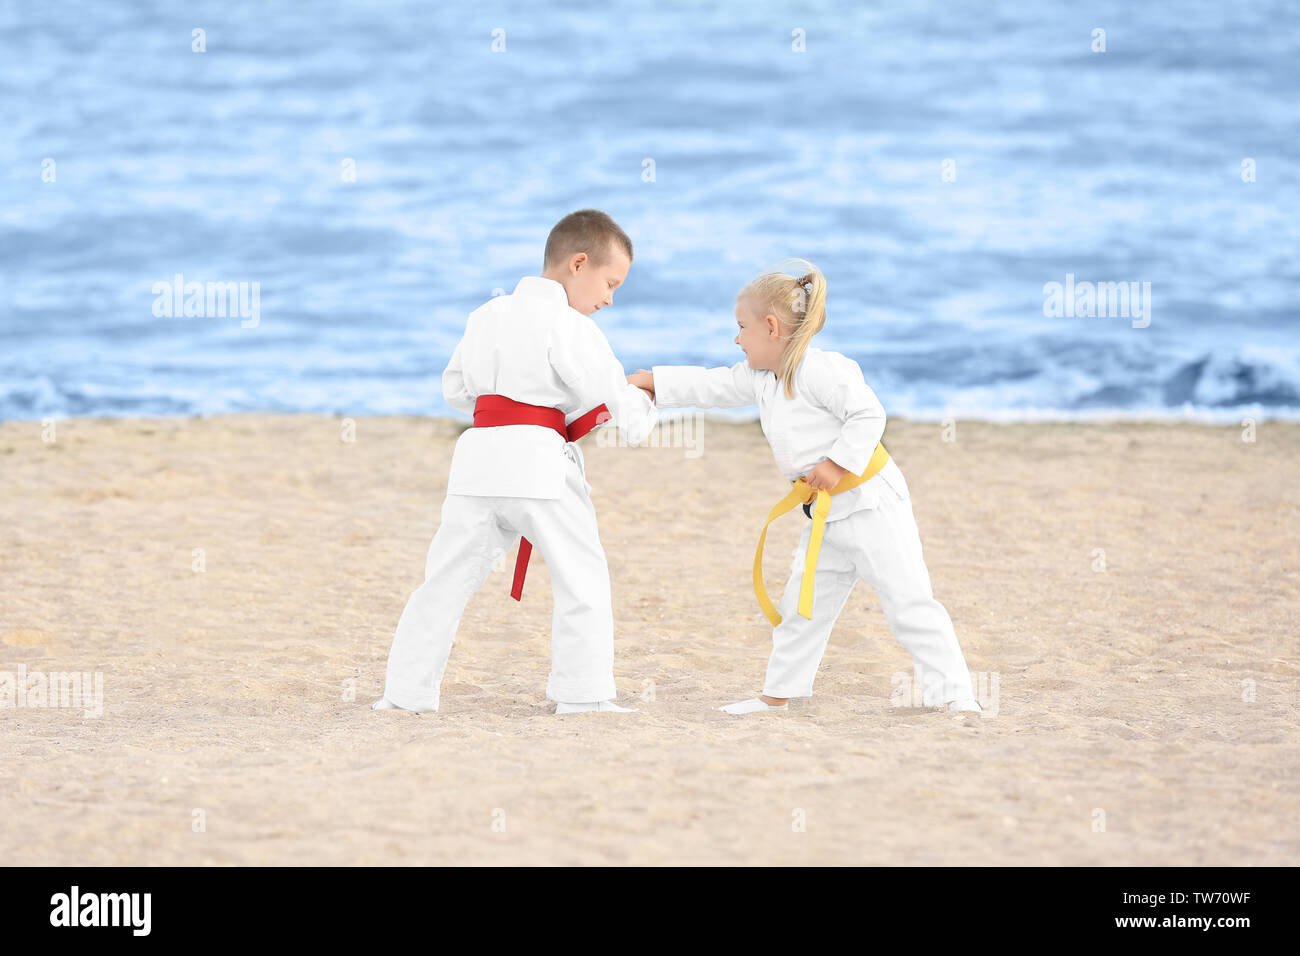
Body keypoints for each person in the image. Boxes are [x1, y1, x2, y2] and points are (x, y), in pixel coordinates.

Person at [630, 259, 982, 715]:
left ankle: (956, 693)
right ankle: (779, 694)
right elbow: (710, 384)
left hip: (873, 504)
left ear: (771, 327)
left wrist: (837, 463)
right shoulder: (761, 378)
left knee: (909, 602)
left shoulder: (823, 370)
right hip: (825, 514)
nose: (736, 339)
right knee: (802, 606)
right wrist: (652, 383)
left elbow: (869, 415)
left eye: (741, 328)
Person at [374, 210, 655, 715]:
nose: (610, 299)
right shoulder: (570, 325)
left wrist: (514, 399)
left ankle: (405, 694)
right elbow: (609, 396)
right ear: (579, 263)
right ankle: (582, 695)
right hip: (539, 467)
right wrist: (644, 408)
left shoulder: (486, 315)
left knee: (444, 581)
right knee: (580, 576)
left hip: (478, 464)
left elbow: (456, 390)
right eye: (610, 283)